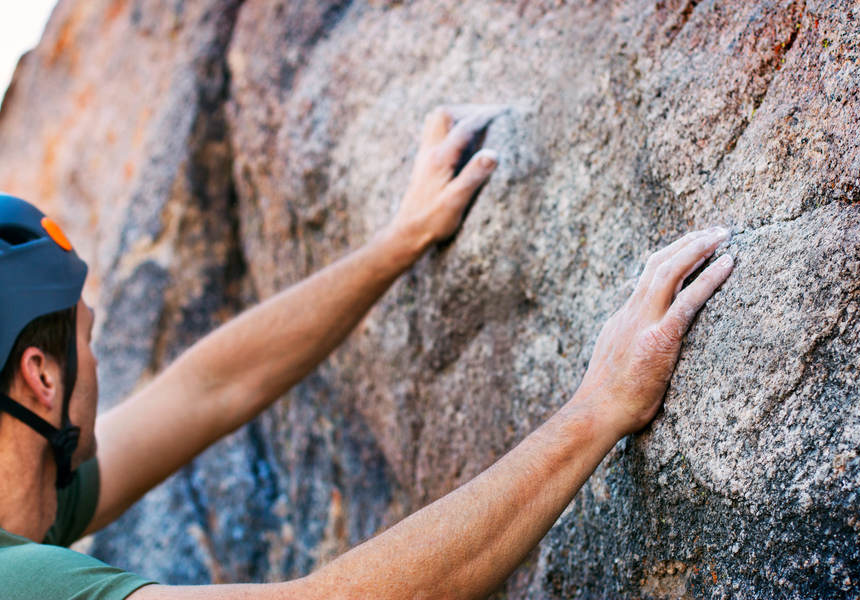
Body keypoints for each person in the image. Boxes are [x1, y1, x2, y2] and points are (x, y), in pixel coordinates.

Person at [0, 107, 734, 600]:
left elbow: (211, 387)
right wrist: (598, 409)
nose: (97, 360)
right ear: (40, 378)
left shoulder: (32, 497)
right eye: (86, 338)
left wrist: (398, 243)